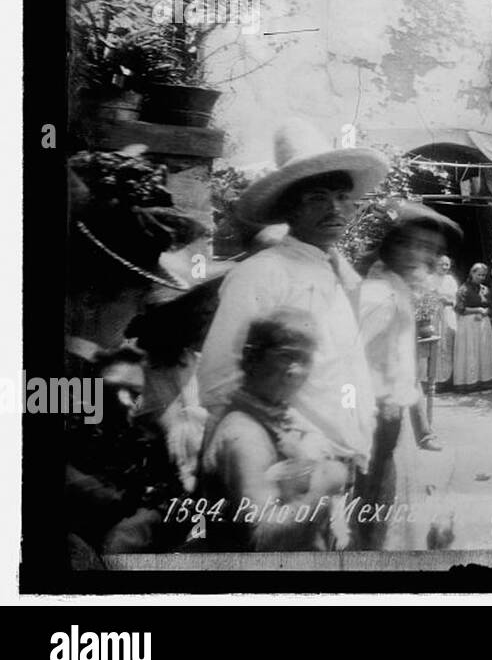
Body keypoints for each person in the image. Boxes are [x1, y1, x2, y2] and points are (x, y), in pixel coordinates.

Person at [199, 119, 389, 478]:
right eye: (317, 199)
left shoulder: (332, 270)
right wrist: (286, 442)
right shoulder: (263, 272)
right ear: (290, 210)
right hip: (287, 467)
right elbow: (219, 379)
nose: (335, 209)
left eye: (342, 198)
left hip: (339, 462)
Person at [63, 148, 210, 560]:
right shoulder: (58, 374)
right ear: (91, 300)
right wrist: (128, 510)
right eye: (134, 296)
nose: (141, 310)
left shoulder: (85, 369)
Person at [199, 309, 351, 551]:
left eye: (305, 359)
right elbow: (262, 539)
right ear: (251, 358)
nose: (296, 371)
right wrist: (325, 486)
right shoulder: (245, 434)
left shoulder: (273, 415)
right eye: (286, 357)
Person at [358, 203, 461, 525]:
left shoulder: (398, 289)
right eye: (415, 245)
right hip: (369, 421)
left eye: (431, 248)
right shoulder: (378, 295)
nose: (426, 257)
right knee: (371, 514)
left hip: (389, 420)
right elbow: (346, 361)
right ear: (394, 245)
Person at [453, 263, 492, 390]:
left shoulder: (485, 289)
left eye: (483, 275)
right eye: (479, 274)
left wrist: (486, 312)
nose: (481, 277)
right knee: (471, 351)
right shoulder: (464, 289)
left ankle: (484, 380)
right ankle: (469, 382)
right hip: (469, 324)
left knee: (483, 351)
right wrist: (477, 310)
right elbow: (459, 308)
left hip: (483, 323)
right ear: (472, 274)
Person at [422, 254, 460, 392]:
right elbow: (424, 298)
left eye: (447, 265)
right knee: (434, 347)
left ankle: (447, 380)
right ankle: (432, 381)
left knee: (448, 346)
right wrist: (435, 298)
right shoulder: (429, 279)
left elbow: (457, 299)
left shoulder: (450, 280)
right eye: (441, 264)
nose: (444, 267)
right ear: (435, 265)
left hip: (448, 314)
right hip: (434, 315)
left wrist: (448, 301)